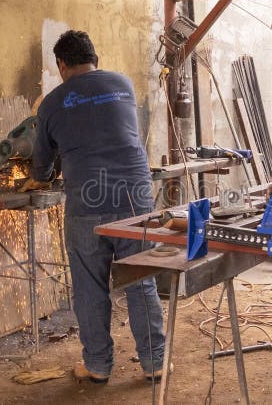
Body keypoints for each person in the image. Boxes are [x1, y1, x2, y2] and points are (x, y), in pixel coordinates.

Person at [20, 30, 166, 383]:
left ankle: (98, 366)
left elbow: (42, 164)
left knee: (89, 286)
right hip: (135, 197)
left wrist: (41, 174)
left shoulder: (52, 103)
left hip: (87, 201)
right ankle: (155, 363)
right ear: (94, 57)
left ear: (61, 64)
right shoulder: (123, 84)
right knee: (141, 280)